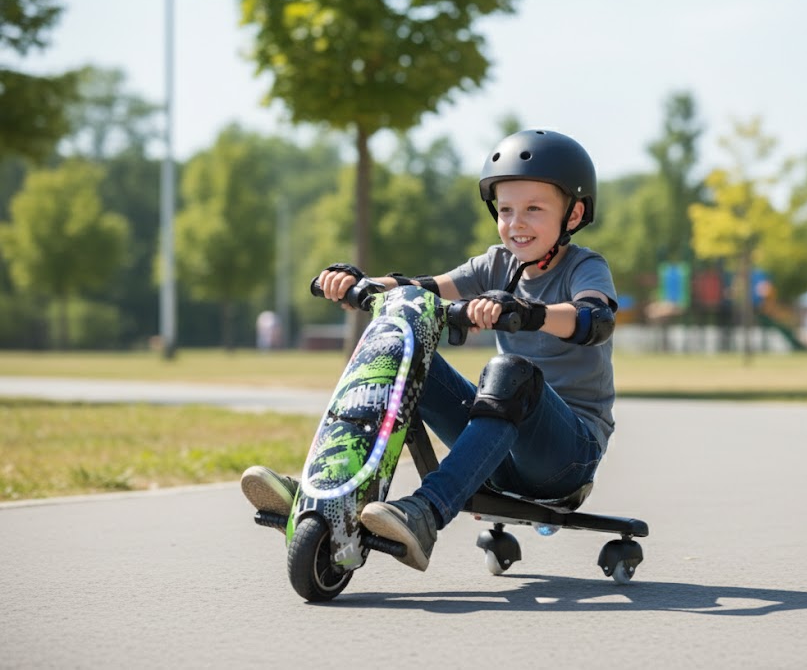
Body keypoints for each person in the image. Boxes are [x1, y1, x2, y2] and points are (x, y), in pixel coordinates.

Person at [241, 129, 617, 572]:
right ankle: (329, 489)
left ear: (573, 214)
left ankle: (427, 512)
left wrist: (528, 312)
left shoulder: (584, 267)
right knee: (400, 349)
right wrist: (360, 282)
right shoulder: (495, 264)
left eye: (534, 209)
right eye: (506, 209)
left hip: (566, 455)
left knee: (512, 372)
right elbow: (424, 287)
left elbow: (595, 319)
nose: (516, 222)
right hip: (498, 453)